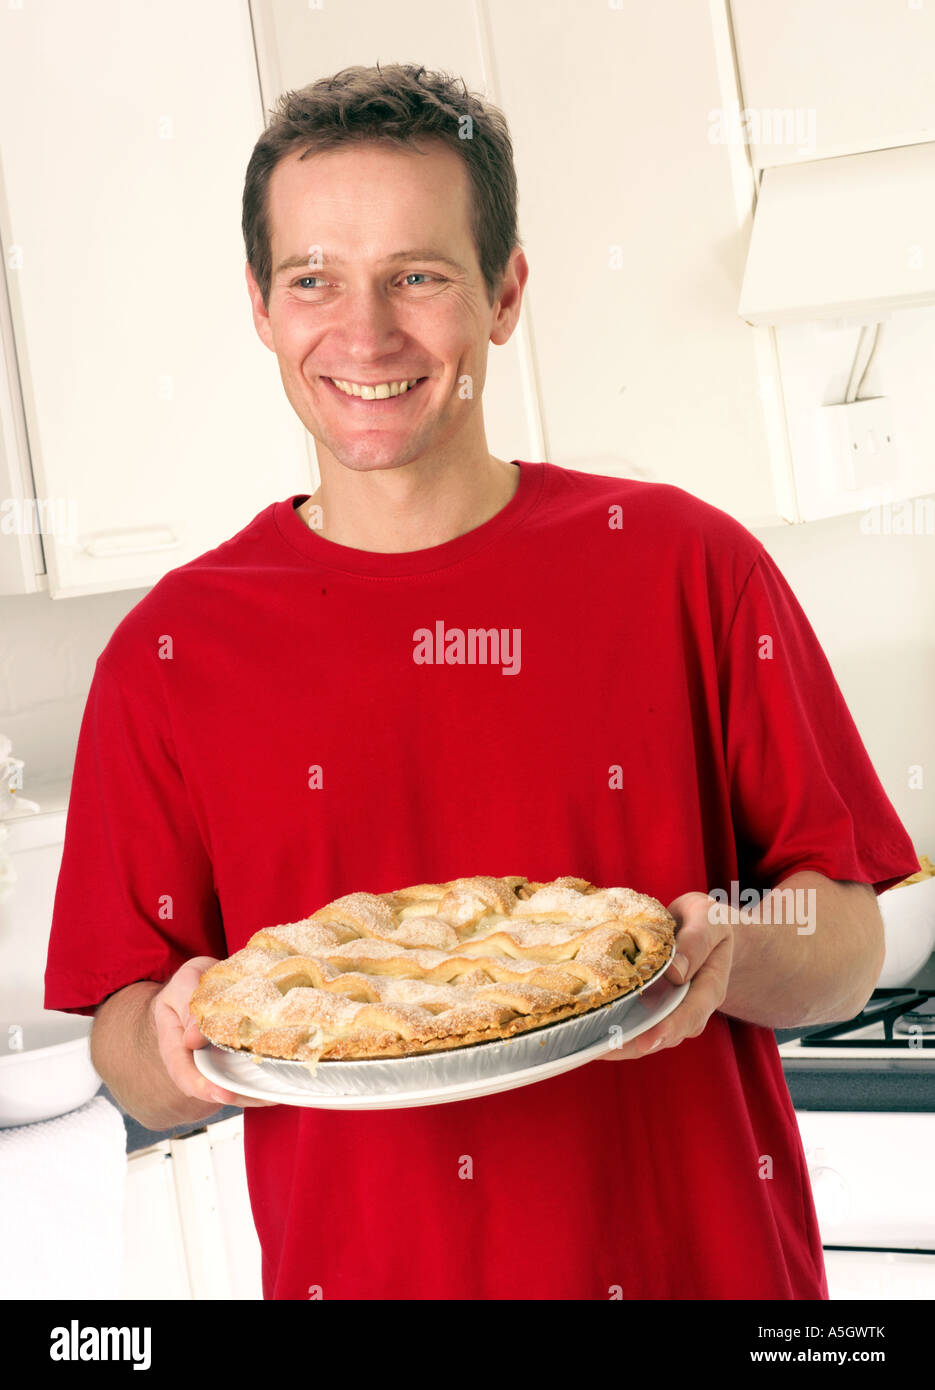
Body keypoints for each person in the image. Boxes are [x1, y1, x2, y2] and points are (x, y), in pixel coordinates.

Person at [45, 63, 918, 1300]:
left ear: (504, 293)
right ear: (259, 305)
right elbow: (127, 1043)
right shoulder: (170, 652)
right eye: (313, 280)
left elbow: (845, 935)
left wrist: (731, 945)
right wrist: (174, 1036)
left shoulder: (684, 564)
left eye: (418, 274)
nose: (364, 334)